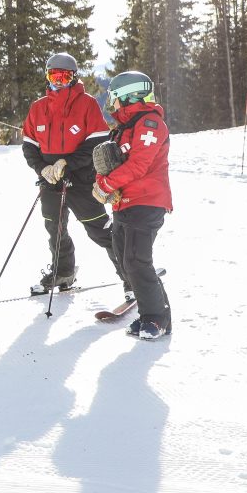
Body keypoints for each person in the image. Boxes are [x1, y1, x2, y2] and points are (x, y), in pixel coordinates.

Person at [21, 52, 125, 294]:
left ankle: (130, 277)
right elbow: (29, 145)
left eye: (65, 76)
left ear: (73, 77)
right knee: (55, 229)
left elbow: (95, 145)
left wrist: (67, 163)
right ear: (47, 77)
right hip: (50, 181)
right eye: (54, 75)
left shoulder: (86, 104)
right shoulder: (38, 107)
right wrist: (43, 168)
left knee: (99, 230)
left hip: (80, 180)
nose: (59, 81)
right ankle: (63, 272)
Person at [92, 70, 174, 340]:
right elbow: (110, 161)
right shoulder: (123, 127)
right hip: (123, 203)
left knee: (138, 261)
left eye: (115, 98)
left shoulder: (150, 124)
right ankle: (147, 315)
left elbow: (139, 164)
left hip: (147, 201)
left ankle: (157, 319)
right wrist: (101, 183)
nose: (112, 104)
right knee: (127, 262)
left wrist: (107, 185)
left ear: (128, 96)